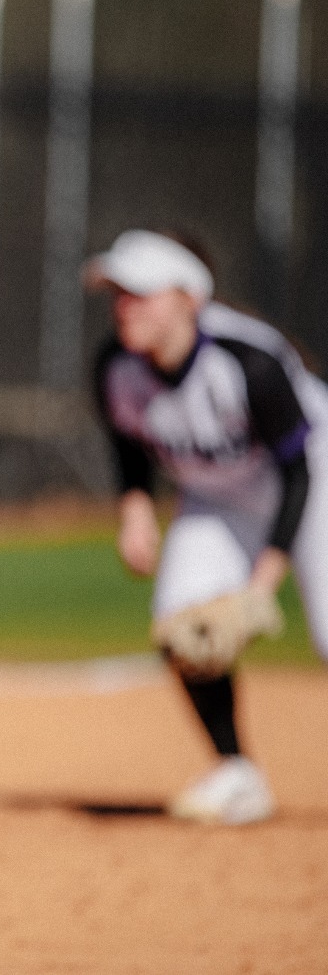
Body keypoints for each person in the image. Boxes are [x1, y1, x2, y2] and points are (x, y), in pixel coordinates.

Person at [86, 229, 328, 825]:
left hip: (316, 482)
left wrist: (260, 588)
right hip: (219, 497)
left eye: (142, 294)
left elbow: (297, 473)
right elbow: (130, 445)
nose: (125, 307)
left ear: (191, 299)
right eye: (118, 293)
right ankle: (237, 773)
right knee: (184, 623)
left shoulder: (250, 363)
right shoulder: (116, 367)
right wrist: (137, 511)